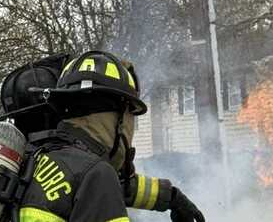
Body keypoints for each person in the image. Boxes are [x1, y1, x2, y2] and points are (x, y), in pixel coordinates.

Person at [12, 50, 204, 222]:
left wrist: (170, 197)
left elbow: (117, 186)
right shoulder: (97, 174)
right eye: (130, 114)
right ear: (119, 117)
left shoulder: (35, 155)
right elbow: (99, 187)